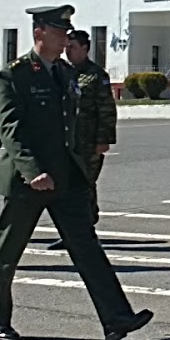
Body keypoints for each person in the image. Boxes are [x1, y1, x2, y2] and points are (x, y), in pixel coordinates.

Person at [0, 4, 153, 340]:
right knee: (8, 252)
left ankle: (116, 317)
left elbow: (70, 126)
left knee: (87, 247)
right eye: (59, 32)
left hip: (66, 176)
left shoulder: (65, 72)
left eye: (66, 33)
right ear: (39, 33)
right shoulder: (15, 75)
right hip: (28, 179)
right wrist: (32, 171)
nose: (64, 39)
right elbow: (10, 129)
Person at [65, 29, 115, 224]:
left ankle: (86, 224)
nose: (67, 51)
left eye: (72, 47)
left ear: (84, 48)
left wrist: (103, 140)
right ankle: (75, 227)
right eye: (66, 47)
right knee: (68, 185)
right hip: (68, 141)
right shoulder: (62, 72)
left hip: (88, 141)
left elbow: (106, 110)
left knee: (85, 183)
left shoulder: (96, 75)